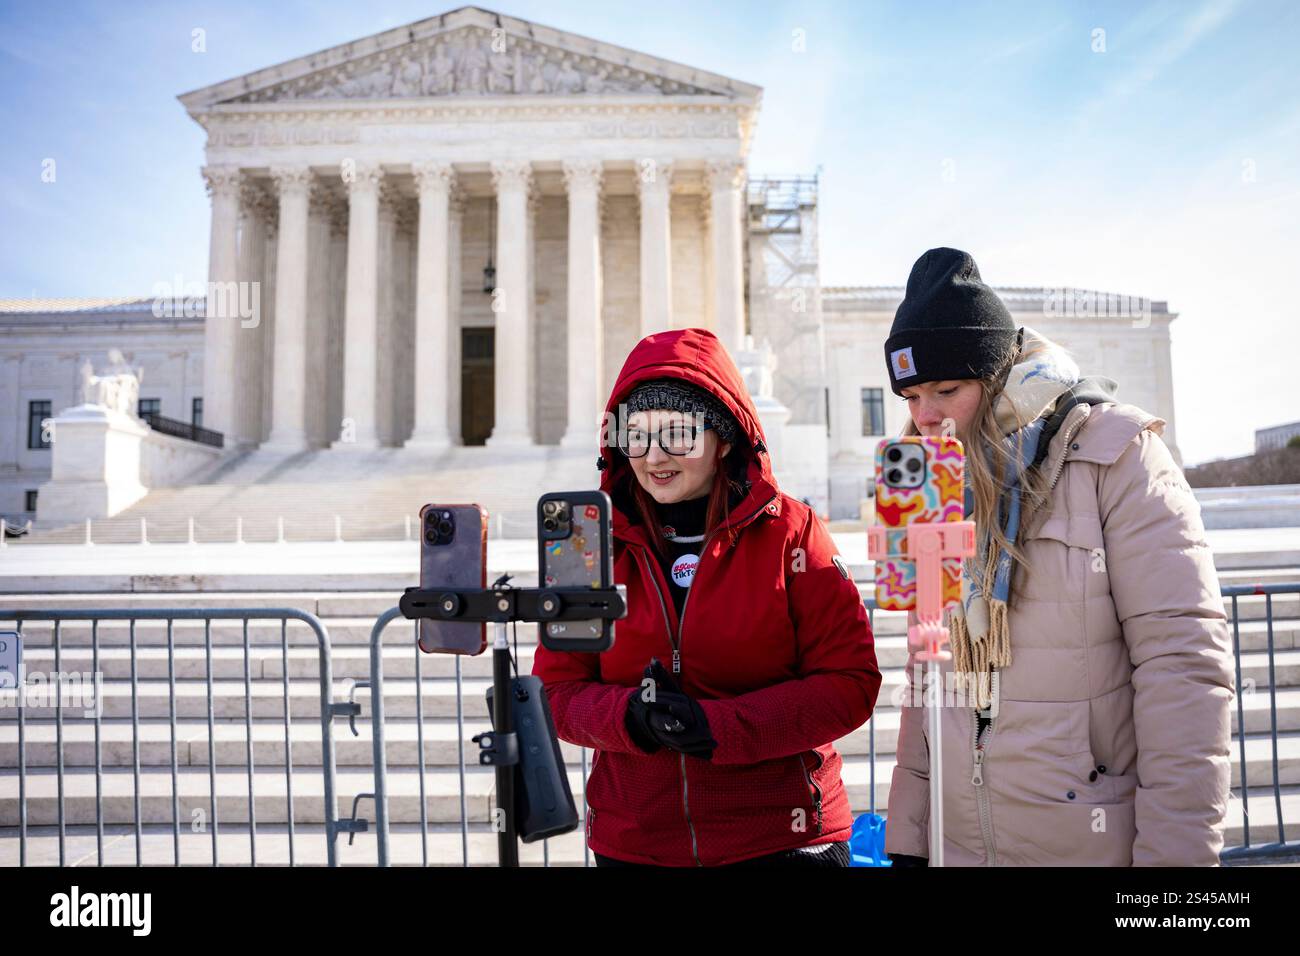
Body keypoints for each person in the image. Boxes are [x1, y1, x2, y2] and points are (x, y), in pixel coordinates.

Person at [881, 247, 1234, 866]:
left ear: (995, 375)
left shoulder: (1117, 456)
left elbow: (1183, 668)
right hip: (962, 846)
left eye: (946, 389)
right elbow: (929, 676)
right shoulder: (929, 483)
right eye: (910, 396)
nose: (926, 418)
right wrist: (910, 838)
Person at [532, 327, 881, 867]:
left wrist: (718, 728)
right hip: (637, 843)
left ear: (723, 438)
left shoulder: (791, 531)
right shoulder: (586, 544)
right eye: (637, 436)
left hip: (780, 841)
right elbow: (557, 691)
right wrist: (631, 719)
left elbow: (848, 683)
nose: (654, 456)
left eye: (678, 433)